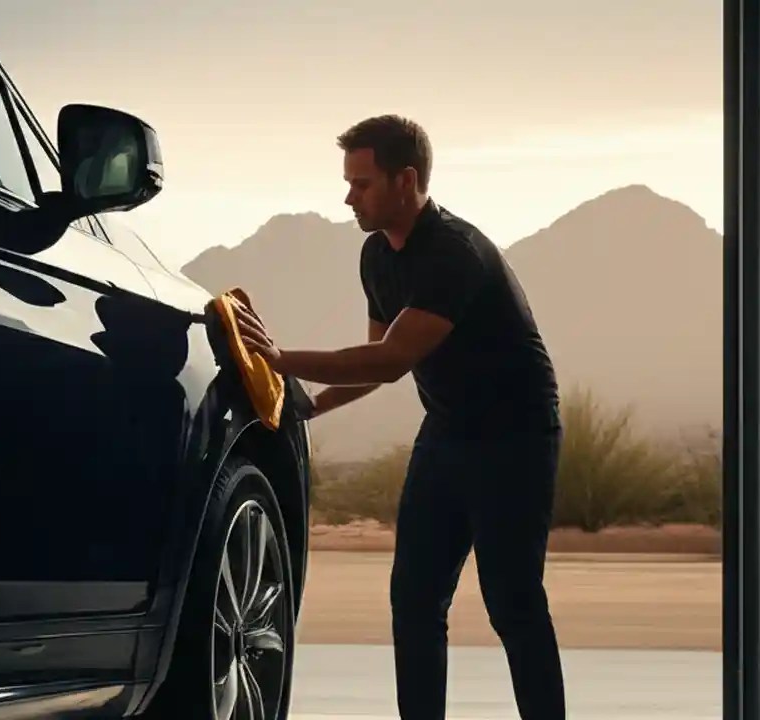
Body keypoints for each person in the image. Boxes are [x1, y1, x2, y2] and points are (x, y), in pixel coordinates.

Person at [235, 114, 566, 720]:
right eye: (348, 182)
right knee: (414, 600)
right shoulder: (376, 256)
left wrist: (280, 359)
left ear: (406, 180)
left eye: (361, 184)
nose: (348, 197)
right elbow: (370, 362)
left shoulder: (454, 254)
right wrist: (306, 406)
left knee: (513, 602)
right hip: (446, 432)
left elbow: (391, 360)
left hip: (516, 435)